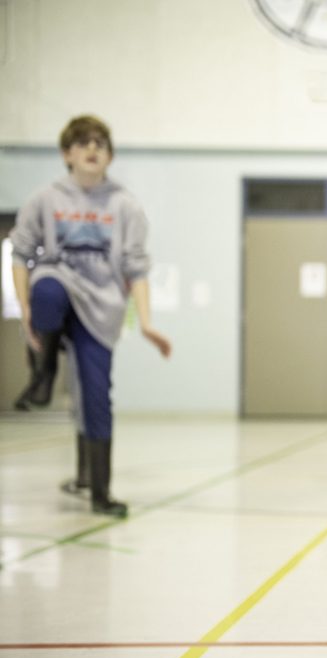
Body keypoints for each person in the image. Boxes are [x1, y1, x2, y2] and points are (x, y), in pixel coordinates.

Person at [10, 114, 172, 517]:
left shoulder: (125, 206)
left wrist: (148, 322)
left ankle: (99, 492)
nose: (92, 148)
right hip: (56, 292)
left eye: (100, 143)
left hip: (100, 308)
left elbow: (137, 268)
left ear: (110, 155)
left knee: (96, 396)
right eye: (83, 142)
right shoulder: (45, 200)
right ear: (67, 153)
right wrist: (26, 309)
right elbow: (20, 253)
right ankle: (44, 375)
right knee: (47, 285)